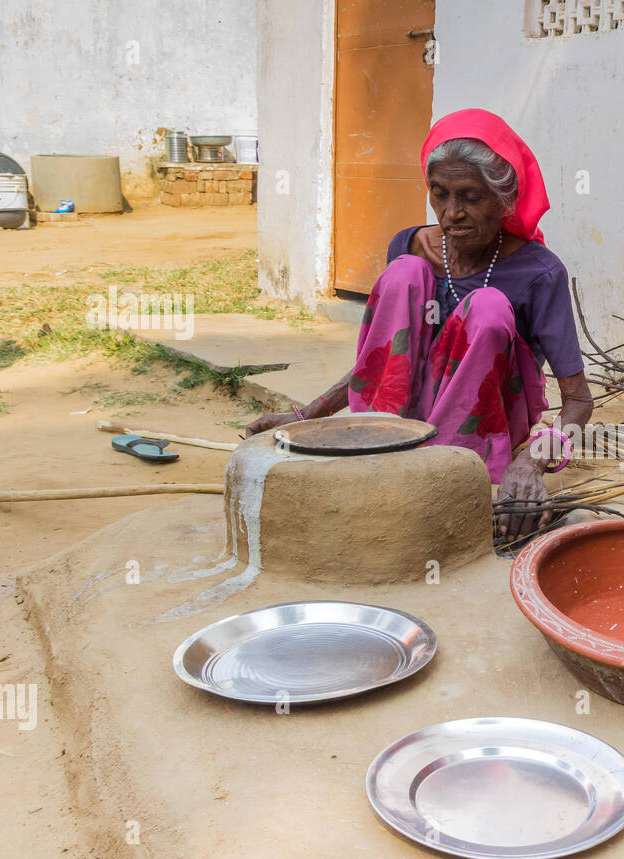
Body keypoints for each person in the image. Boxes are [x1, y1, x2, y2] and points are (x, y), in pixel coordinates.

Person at [246, 109, 593, 540]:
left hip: (484, 431)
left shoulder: (539, 272)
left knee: (486, 306)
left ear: (503, 200)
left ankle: (451, 470)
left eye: (470, 196)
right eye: (440, 194)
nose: (452, 213)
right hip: (401, 424)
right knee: (404, 273)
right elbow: (388, 355)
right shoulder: (410, 247)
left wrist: (532, 461)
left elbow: (579, 403)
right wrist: (306, 415)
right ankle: (379, 441)